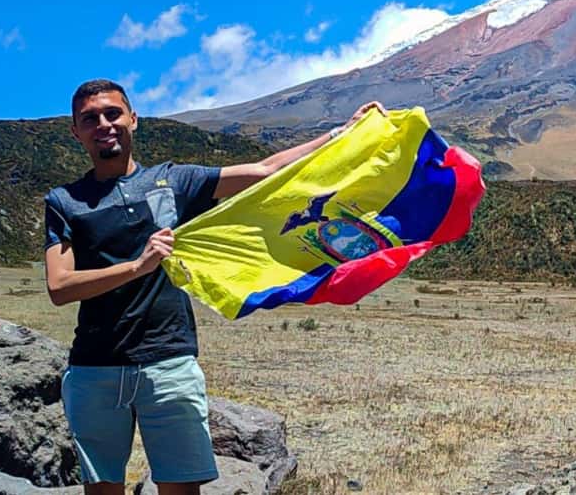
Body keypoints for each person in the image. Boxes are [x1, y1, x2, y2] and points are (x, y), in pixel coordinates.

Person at [44, 79, 382, 494]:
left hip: (168, 362)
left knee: (182, 489)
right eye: (89, 119)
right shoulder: (65, 201)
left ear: (133, 119)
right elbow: (59, 286)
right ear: (75, 132)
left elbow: (266, 171)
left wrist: (342, 133)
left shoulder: (175, 181)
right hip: (95, 370)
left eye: (112, 113)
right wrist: (138, 266)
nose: (104, 124)